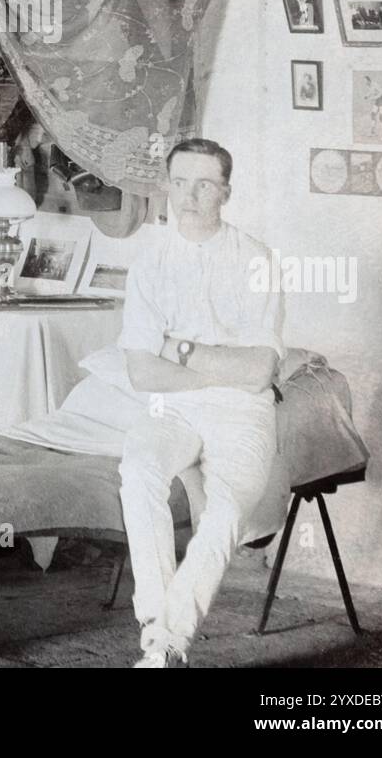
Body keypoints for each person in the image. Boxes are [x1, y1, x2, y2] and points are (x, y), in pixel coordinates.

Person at [118, 139, 284, 668]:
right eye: (180, 182)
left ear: (225, 192)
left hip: (243, 410)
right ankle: (157, 628)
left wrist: (181, 347)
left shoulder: (256, 259)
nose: (189, 195)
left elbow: (261, 370)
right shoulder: (149, 264)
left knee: (225, 513)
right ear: (168, 187)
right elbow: (142, 371)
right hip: (175, 405)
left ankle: (168, 642)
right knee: (139, 469)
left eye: (204, 184)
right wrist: (217, 368)